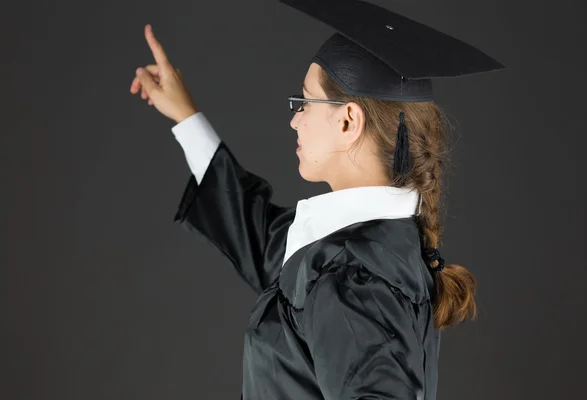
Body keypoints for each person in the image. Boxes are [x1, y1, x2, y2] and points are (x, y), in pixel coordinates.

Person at [130, 1, 505, 398]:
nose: (295, 119)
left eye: (305, 102)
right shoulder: (365, 248)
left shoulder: (355, 278)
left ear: (348, 121)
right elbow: (261, 239)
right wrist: (186, 117)